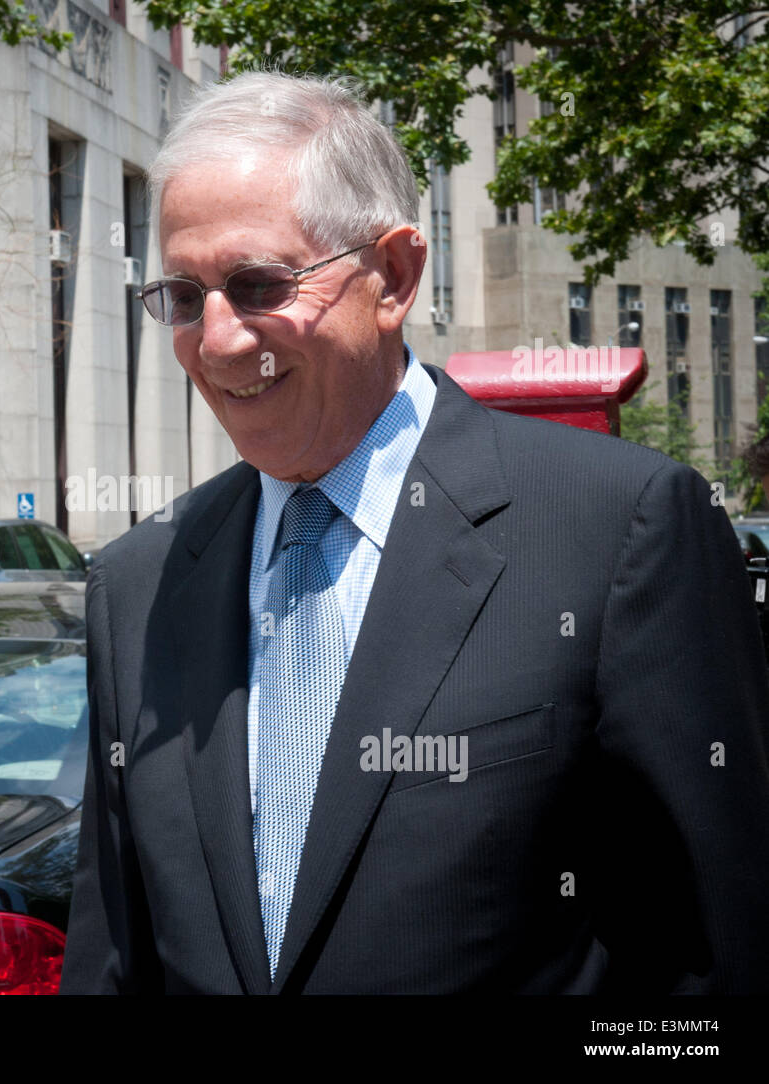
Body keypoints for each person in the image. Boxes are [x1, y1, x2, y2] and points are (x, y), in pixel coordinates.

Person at [59, 70, 769, 994]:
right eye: (185, 298)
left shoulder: (618, 531)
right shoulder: (139, 582)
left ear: (392, 276)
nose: (220, 340)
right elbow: (113, 962)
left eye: (257, 283)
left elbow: (716, 962)